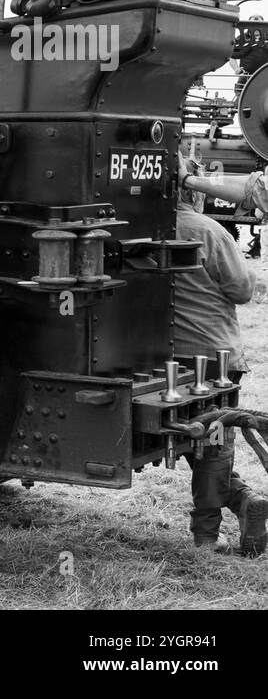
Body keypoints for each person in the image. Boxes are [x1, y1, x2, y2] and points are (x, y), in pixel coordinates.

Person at [175, 160, 268, 556]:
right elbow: (242, 290)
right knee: (213, 441)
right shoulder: (207, 231)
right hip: (213, 356)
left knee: (187, 439)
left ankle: (245, 503)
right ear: (192, 190)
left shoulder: (134, 229)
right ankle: (206, 539)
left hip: (159, 358)